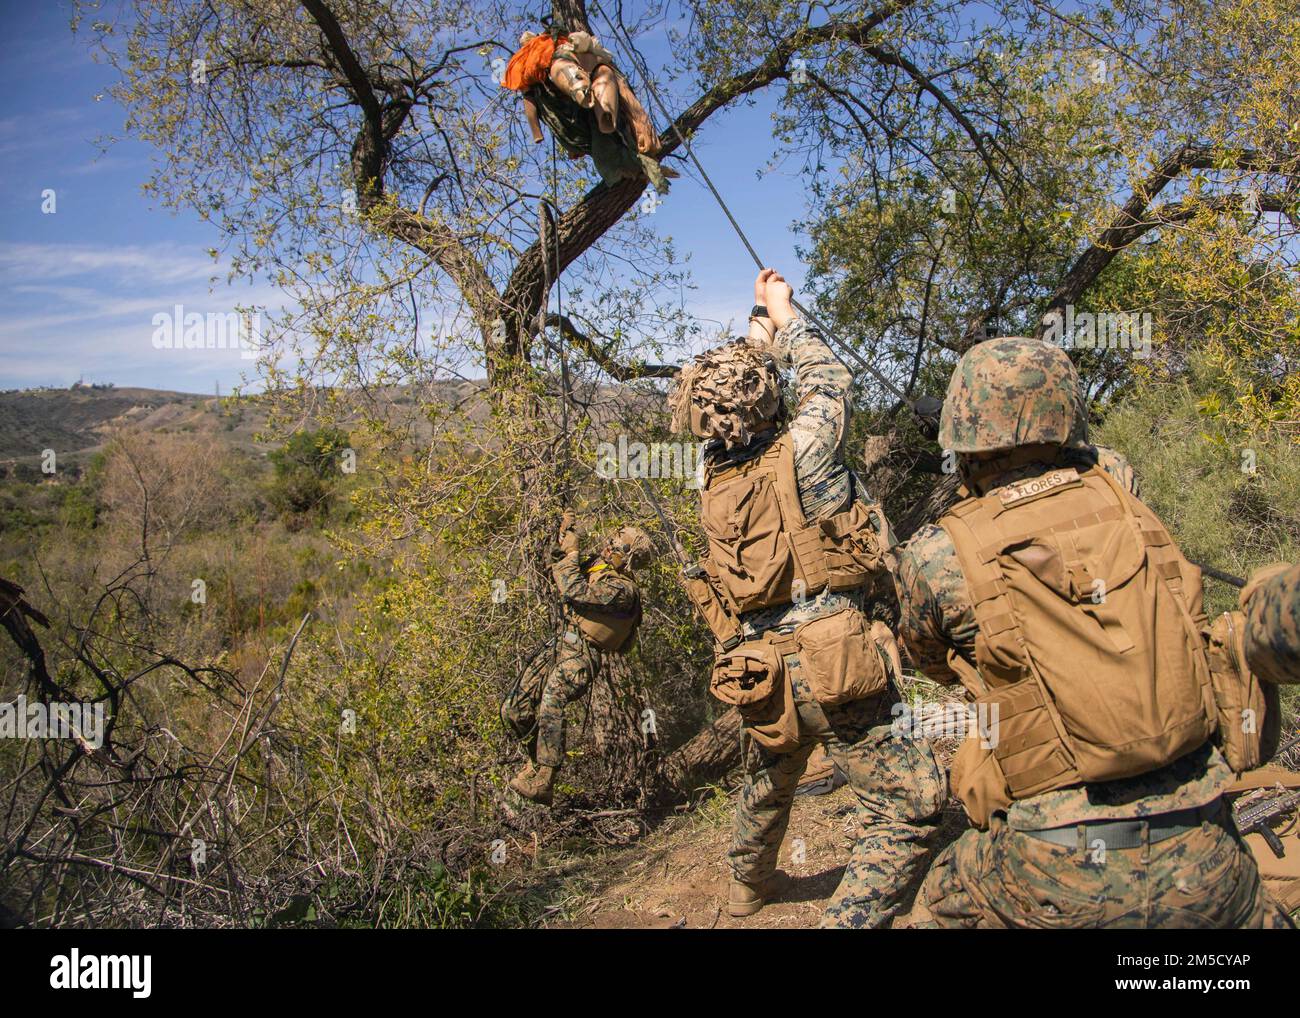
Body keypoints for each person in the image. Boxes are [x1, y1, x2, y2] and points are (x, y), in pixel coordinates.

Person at [894, 335, 1292, 928]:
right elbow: (1090, 466)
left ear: (961, 433)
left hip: (1055, 874)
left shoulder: (934, 553)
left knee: (947, 891)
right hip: (1208, 853)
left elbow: (930, 658)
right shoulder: (1120, 490)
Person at [668, 268, 946, 926]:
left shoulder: (709, 477)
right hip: (836, 657)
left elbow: (734, 408)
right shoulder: (807, 450)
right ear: (765, 398)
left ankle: (746, 886)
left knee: (771, 776)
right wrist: (786, 315)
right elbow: (827, 382)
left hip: (762, 665)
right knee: (910, 804)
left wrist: (755, 336)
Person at [503, 511, 653, 805]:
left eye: (618, 546)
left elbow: (573, 589)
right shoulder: (598, 567)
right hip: (560, 644)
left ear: (630, 557)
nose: (609, 546)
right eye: (611, 540)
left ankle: (546, 779)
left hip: (583, 654)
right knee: (514, 709)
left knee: (553, 697)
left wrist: (572, 553)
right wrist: (565, 538)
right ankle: (535, 763)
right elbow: (556, 569)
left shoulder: (623, 590)